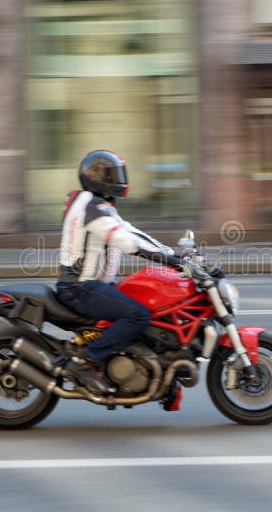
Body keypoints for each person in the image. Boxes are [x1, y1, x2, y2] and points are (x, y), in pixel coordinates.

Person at [56, 150, 188, 394]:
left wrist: (173, 254)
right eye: (113, 174)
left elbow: (130, 231)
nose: (119, 179)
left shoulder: (95, 204)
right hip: (81, 288)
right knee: (138, 316)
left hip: (94, 285)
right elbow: (126, 242)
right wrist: (171, 260)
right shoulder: (91, 207)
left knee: (148, 304)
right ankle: (85, 360)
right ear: (98, 178)